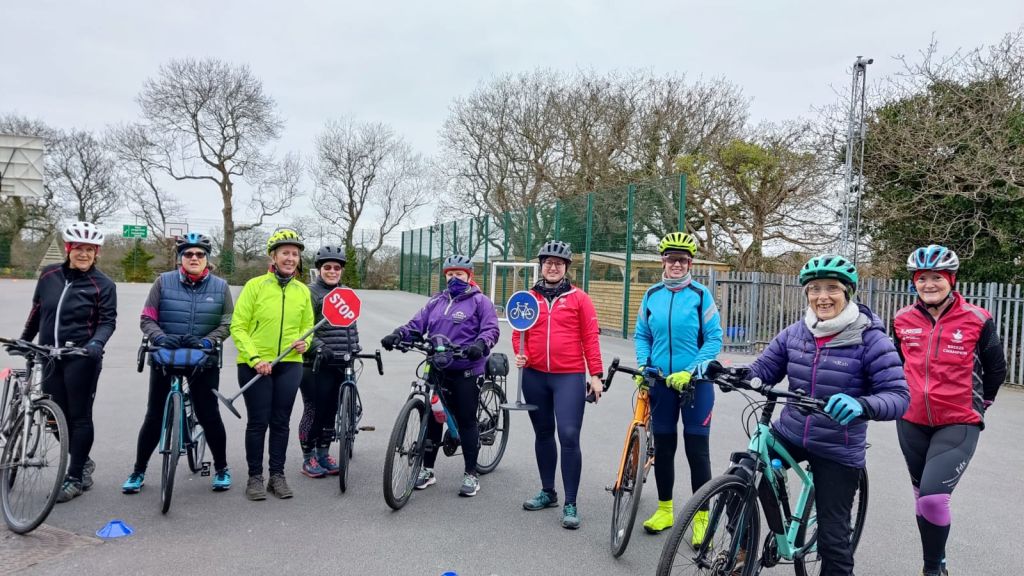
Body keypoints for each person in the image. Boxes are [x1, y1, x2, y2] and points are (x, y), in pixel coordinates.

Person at [745, 254, 909, 576]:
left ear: (848, 292)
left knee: (834, 539)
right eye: (814, 288)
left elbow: (899, 396)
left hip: (838, 446)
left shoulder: (871, 339)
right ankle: (741, 549)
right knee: (745, 465)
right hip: (791, 431)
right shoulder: (796, 332)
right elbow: (764, 368)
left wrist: (862, 405)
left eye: (831, 288)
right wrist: (735, 373)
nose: (822, 296)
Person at [892, 245, 1006, 576]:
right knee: (921, 496)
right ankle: (937, 562)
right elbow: (897, 362)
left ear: (951, 280)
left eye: (936, 278)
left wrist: (982, 403)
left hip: (958, 421)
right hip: (911, 420)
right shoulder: (902, 319)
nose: (929, 284)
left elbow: (996, 369)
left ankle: (931, 570)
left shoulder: (977, 318)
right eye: (922, 278)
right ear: (914, 281)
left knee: (932, 498)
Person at [122, 233, 233, 494]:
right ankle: (138, 471)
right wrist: (159, 337)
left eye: (200, 254)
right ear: (180, 258)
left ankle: (221, 468)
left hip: (203, 359)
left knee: (209, 414)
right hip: (165, 356)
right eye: (188, 254)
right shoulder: (163, 282)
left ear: (207, 259)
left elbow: (228, 323)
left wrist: (208, 342)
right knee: (154, 415)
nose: (194, 258)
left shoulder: (220, 287)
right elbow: (147, 318)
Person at [381, 254, 499, 498]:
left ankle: (470, 474)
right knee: (434, 417)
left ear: (469, 276)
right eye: (449, 274)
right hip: (438, 366)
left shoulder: (480, 301)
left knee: (466, 421)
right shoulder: (436, 301)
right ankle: (427, 470)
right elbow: (416, 326)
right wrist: (398, 335)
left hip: (467, 368)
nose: (454, 278)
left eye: (459, 274)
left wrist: (480, 344)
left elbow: (491, 329)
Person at [633, 232, 723, 540]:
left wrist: (692, 371)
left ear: (690, 263)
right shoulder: (652, 294)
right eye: (671, 259)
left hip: (696, 386)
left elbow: (714, 339)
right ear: (663, 261)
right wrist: (645, 365)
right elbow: (642, 335)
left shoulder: (701, 296)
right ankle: (665, 510)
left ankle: (701, 518)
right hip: (661, 385)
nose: (677, 264)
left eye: (683, 260)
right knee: (665, 448)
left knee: (697, 452)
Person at [20, 221, 117, 503]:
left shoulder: (103, 285)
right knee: (52, 416)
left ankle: (74, 477)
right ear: (68, 249)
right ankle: (82, 460)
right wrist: (25, 341)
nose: (84, 254)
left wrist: (96, 344)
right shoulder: (48, 275)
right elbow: (37, 311)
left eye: (90, 249)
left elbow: (107, 321)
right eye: (78, 248)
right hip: (48, 355)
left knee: (79, 416)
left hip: (81, 357)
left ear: (96, 252)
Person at [512, 240, 604, 530]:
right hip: (534, 375)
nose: (553, 267)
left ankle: (570, 502)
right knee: (542, 433)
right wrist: (520, 352)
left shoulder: (580, 299)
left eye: (559, 264)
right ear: (541, 266)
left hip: (569, 376)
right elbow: (519, 331)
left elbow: (590, 337)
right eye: (548, 263)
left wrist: (596, 374)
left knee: (568, 434)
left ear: (566, 268)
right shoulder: (528, 298)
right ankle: (548, 491)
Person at [230, 229, 314, 501]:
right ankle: (255, 477)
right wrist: (255, 358)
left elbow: (308, 327)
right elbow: (238, 326)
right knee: (258, 422)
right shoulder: (255, 286)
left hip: (289, 363)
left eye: (294, 253)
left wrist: (306, 343)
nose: (290, 258)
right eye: (285, 253)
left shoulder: (302, 291)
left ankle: (277, 476)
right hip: (255, 364)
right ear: (274, 256)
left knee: (281, 421)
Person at [297, 245, 361, 478]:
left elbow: (351, 326)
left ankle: (324, 453)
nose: (332, 271)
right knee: (315, 410)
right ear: (319, 269)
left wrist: (354, 347)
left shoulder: (346, 293)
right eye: (327, 267)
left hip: (342, 362)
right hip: (315, 363)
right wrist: (318, 347)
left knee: (332, 411)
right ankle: (308, 457)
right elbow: (301, 328)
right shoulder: (309, 293)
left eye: (336, 268)